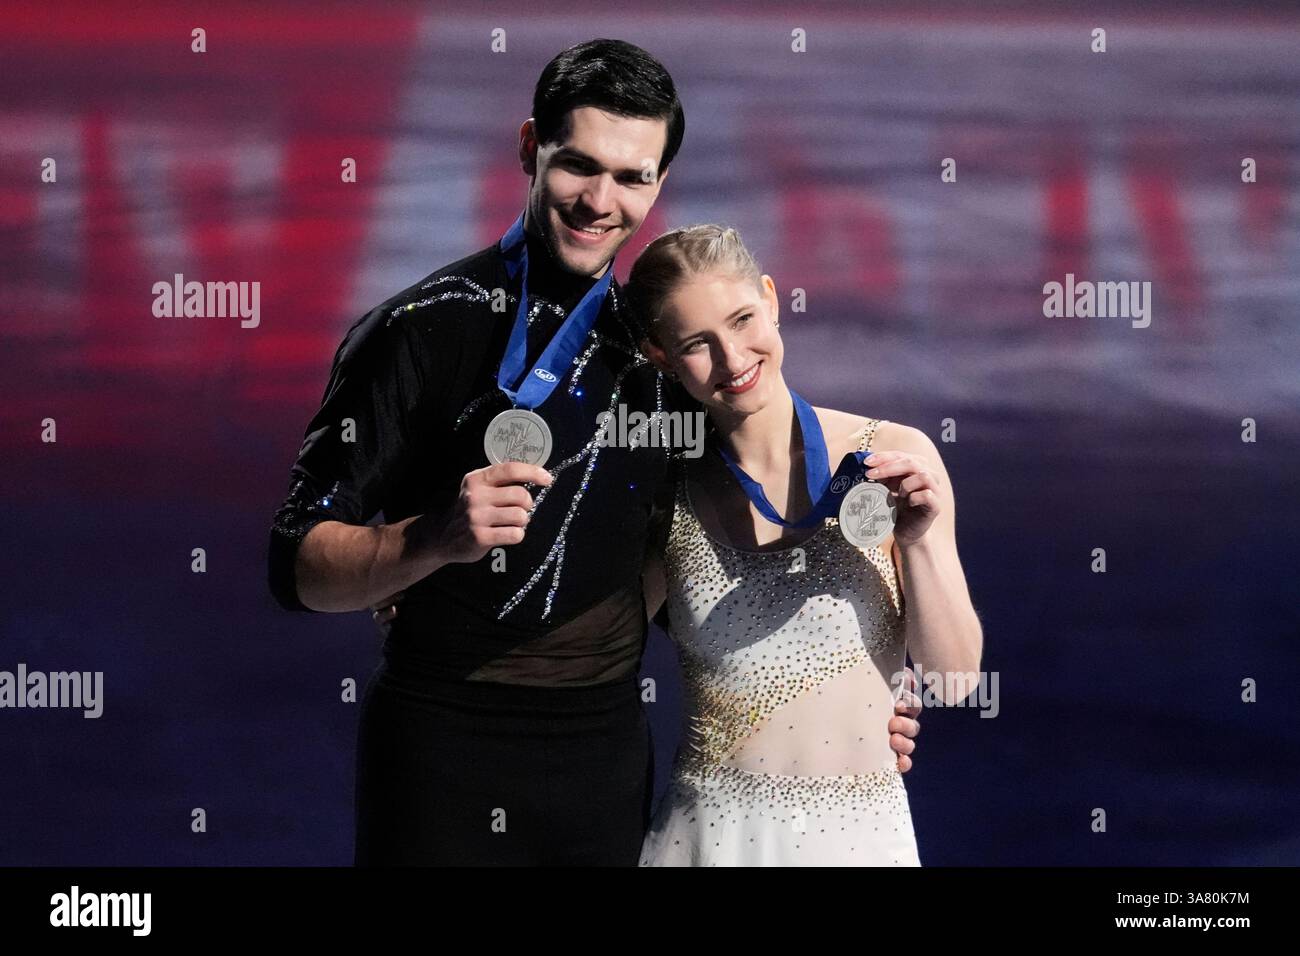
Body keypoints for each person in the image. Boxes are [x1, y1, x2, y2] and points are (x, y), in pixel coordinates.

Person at [268, 39, 920, 866]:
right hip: (441, 745)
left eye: (632, 177)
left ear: (659, 184)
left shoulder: (664, 363)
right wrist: (427, 541)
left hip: (602, 760)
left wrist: (842, 708)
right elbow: (294, 566)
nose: (599, 201)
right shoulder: (417, 331)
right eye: (579, 165)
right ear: (528, 146)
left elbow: (704, 569)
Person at [626, 225, 983, 866]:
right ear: (660, 356)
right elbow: (595, 662)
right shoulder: (661, 492)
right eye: (698, 344)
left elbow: (954, 681)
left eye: (741, 320)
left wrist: (920, 543)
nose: (734, 359)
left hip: (861, 839)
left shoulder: (895, 456)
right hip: (707, 840)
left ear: (771, 297)